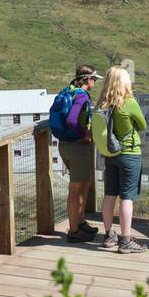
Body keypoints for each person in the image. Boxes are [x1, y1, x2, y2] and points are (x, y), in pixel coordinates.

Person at [97, 66, 148, 254]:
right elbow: (142, 125)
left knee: (110, 194)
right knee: (127, 197)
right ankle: (126, 240)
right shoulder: (129, 102)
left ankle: (109, 234)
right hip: (129, 154)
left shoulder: (102, 103)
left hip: (111, 154)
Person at [58, 65, 101, 243]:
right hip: (77, 146)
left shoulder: (68, 90)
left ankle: (80, 222)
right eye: (94, 79)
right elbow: (71, 119)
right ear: (87, 79)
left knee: (85, 182)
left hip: (65, 144)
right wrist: (83, 134)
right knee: (76, 189)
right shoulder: (81, 96)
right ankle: (74, 230)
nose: (95, 82)